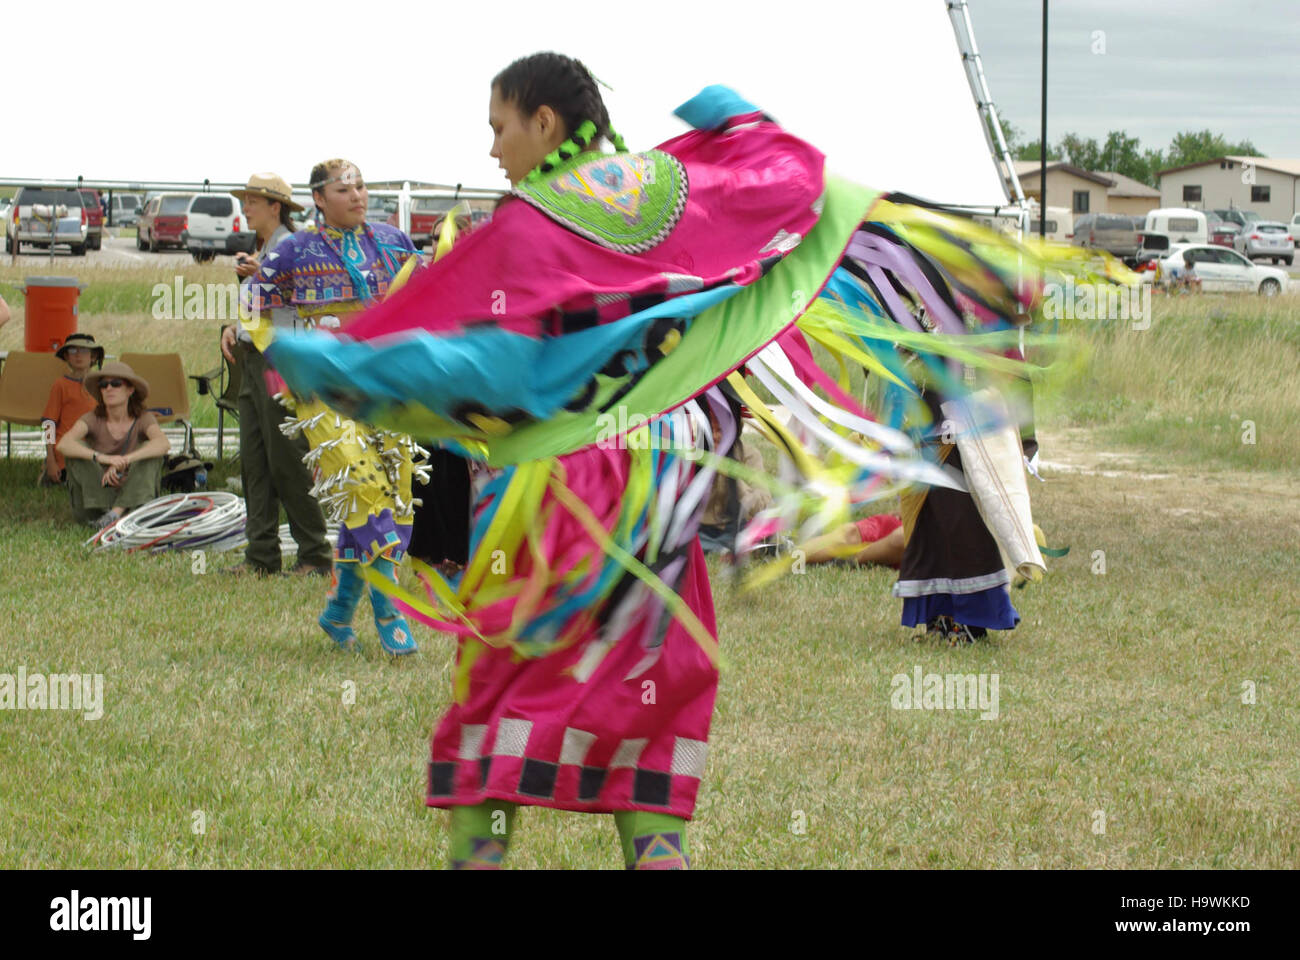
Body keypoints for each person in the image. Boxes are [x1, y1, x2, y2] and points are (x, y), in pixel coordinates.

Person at [267, 55, 1101, 868]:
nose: (492, 150)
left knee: (500, 687)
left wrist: (339, 367)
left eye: (499, 127)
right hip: (666, 480)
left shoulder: (528, 226)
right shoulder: (672, 192)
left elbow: (490, 368)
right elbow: (781, 172)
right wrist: (726, 111)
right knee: (647, 688)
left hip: (561, 489)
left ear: (545, 121)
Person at [244, 159, 423, 655]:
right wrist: (286, 356)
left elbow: (432, 293)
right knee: (364, 487)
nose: (358, 196)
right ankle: (389, 612)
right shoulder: (295, 250)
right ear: (319, 198)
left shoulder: (394, 242)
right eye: (345, 189)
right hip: (322, 392)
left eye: (362, 186)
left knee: (397, 495)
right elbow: (254, 304)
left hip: (386, 386)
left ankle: (339, 612)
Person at [220, 173, 333, 578]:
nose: (246, 207)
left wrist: (265, 274)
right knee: (254, 459)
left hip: (278, 362)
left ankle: (315, 553)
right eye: (246, 199)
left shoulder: (291, 247)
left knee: (286, 459)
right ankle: (262, 554)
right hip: (253, 360)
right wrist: (234, 327)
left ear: (275, 207)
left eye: (253, 200)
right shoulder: (264, 247)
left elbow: (303, 297)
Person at [57, 361, 170, 528]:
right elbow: (58, 435)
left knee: (150, 450)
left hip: (131, 496)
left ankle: (116, 513)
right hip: (95, 497)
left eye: (116, 384)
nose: (108, 388)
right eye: (103, 385)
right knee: (78, 449)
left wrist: (124, 460)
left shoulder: (143, 418)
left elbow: (163, 443)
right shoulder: (85, 411)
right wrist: (104, 459)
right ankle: (114, 515)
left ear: (130, 390)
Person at [41, 333, 101, 486]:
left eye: (84, 351)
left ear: (93, 357)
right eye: (73, 351)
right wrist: (50, 459)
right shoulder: (60, 385)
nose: (78, 355)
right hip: (66, 452)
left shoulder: (104, 385)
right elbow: (49, 423)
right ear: (67, 357)